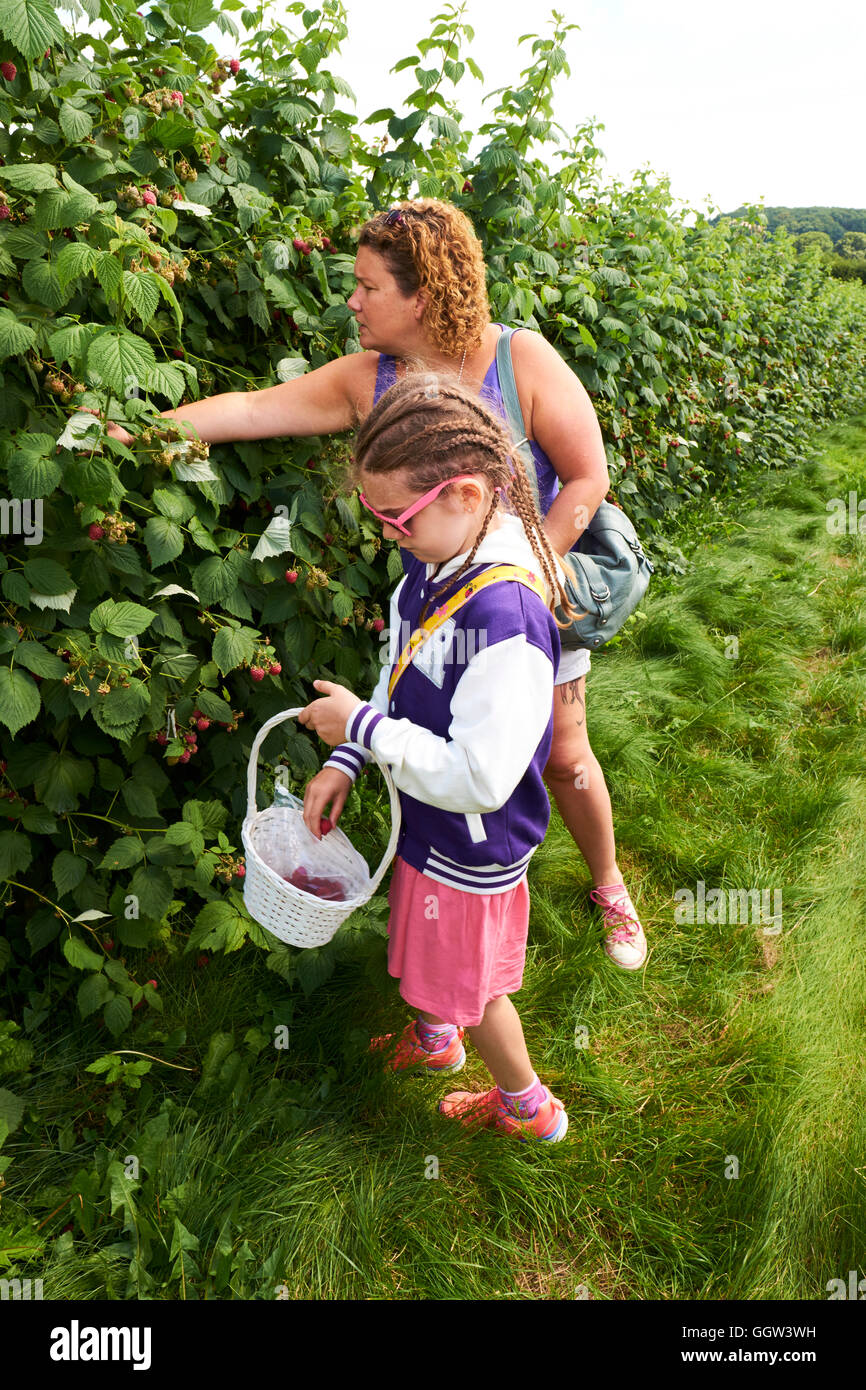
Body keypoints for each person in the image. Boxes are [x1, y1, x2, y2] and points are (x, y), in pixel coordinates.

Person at [98, 197, 646, 969]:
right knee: (434, 752)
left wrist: (532, 574)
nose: (350, 301)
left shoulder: (520, 359)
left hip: (527, 601)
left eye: (367, 287)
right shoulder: (369, 378)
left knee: (564, 754)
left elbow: (588, 474)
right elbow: (253, 408)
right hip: (430, 608)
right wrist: (147, 432)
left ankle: (608, 883)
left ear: (422, 295)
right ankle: (451, 922)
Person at [297, 373, 579, 1140]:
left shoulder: (505, 618)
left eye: (398, 519)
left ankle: (529, 1106)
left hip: (468, 845)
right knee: (425, 953)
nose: (387, 534)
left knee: (476, 989)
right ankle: (433, 1041)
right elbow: (402, 676)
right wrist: (350, 757)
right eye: (376, 516)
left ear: (462, 493)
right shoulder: (430, 566)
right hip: (425, 822)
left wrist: (359, 727)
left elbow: (481, 777)